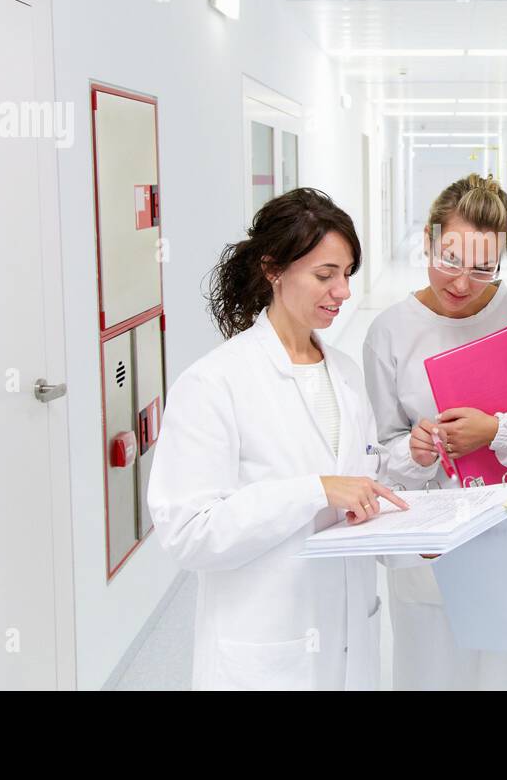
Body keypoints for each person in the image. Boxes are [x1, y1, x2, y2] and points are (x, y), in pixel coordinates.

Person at [147, 187, 407, 690]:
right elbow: (188, 533)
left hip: (351, 636)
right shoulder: (214, 383)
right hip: (268, 648)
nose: (343, 292)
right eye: (325, 275)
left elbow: (362, 491)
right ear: (273, 270)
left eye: (347, 274)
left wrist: (416, 538)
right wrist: (314, 491)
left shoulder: (347, 375)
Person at [363, 173, 507, 690]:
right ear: (427, 238)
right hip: (431, 546)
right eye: (448, 259)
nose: (461, 282)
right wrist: (416, 450)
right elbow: (378, 453)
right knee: (434, 674)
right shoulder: (389, 331)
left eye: (482, 268)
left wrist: (498, 432)